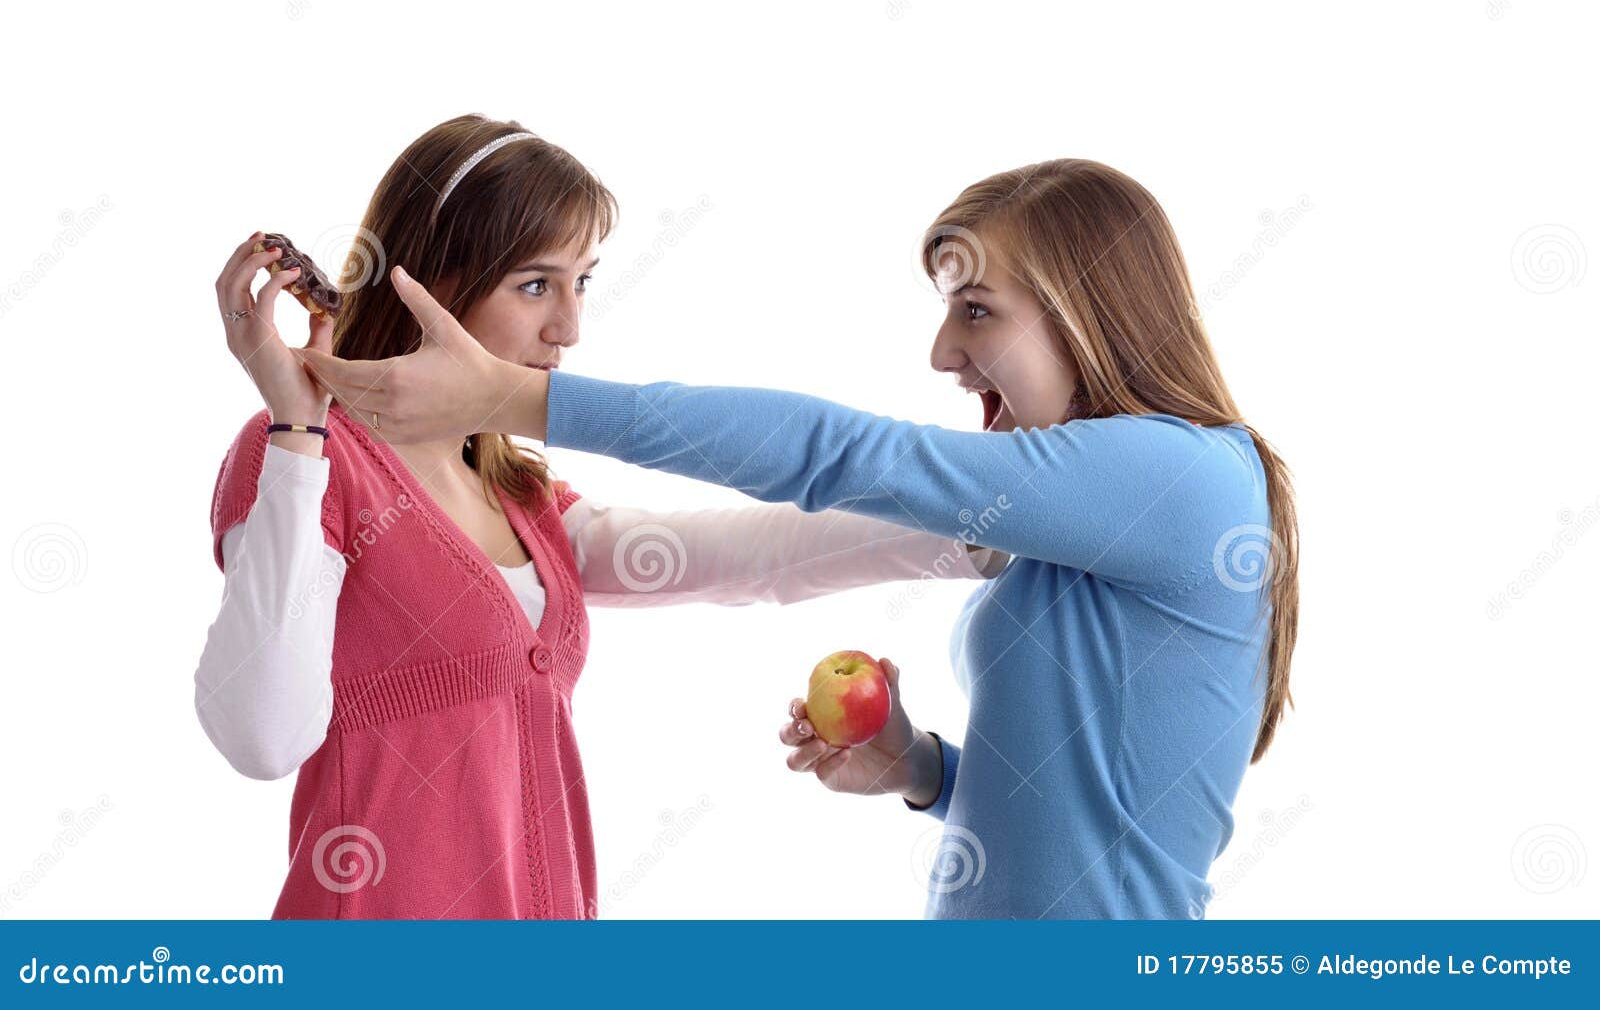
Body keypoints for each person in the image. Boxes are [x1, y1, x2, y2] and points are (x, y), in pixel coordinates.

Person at [297, 157, 1301, 919]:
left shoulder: (1185, 475)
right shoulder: (1086, 520)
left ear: (1090, 316)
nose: (943, 352)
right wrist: (921, 769)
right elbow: (1089, 818)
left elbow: (843, 455)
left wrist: (514, 397)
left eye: (977, 312)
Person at [198, 115, 1001, 919]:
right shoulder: (308, 459)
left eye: (581, 282)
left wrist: (978, 527)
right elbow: (262, 735)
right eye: (536, 285)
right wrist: (297, 431)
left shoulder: (516, 489)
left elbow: (749, 556)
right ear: (431, 281)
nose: (569, 328)